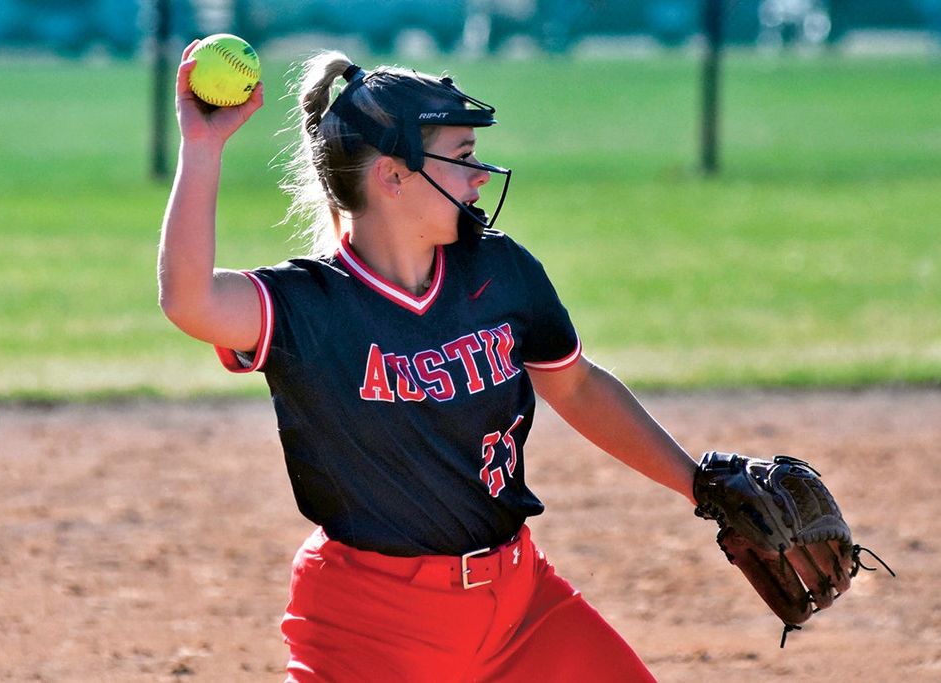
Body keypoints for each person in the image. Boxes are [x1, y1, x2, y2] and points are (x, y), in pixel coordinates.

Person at [158, 41, 698, 682]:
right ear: (392, 176)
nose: (480, 175)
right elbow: (189, 299)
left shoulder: (500, 271)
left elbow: (576, 386)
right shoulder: (310, 306)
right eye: (463, 157)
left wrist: (700, 486)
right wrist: (203, 145)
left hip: (522, 609)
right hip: (372, 626)